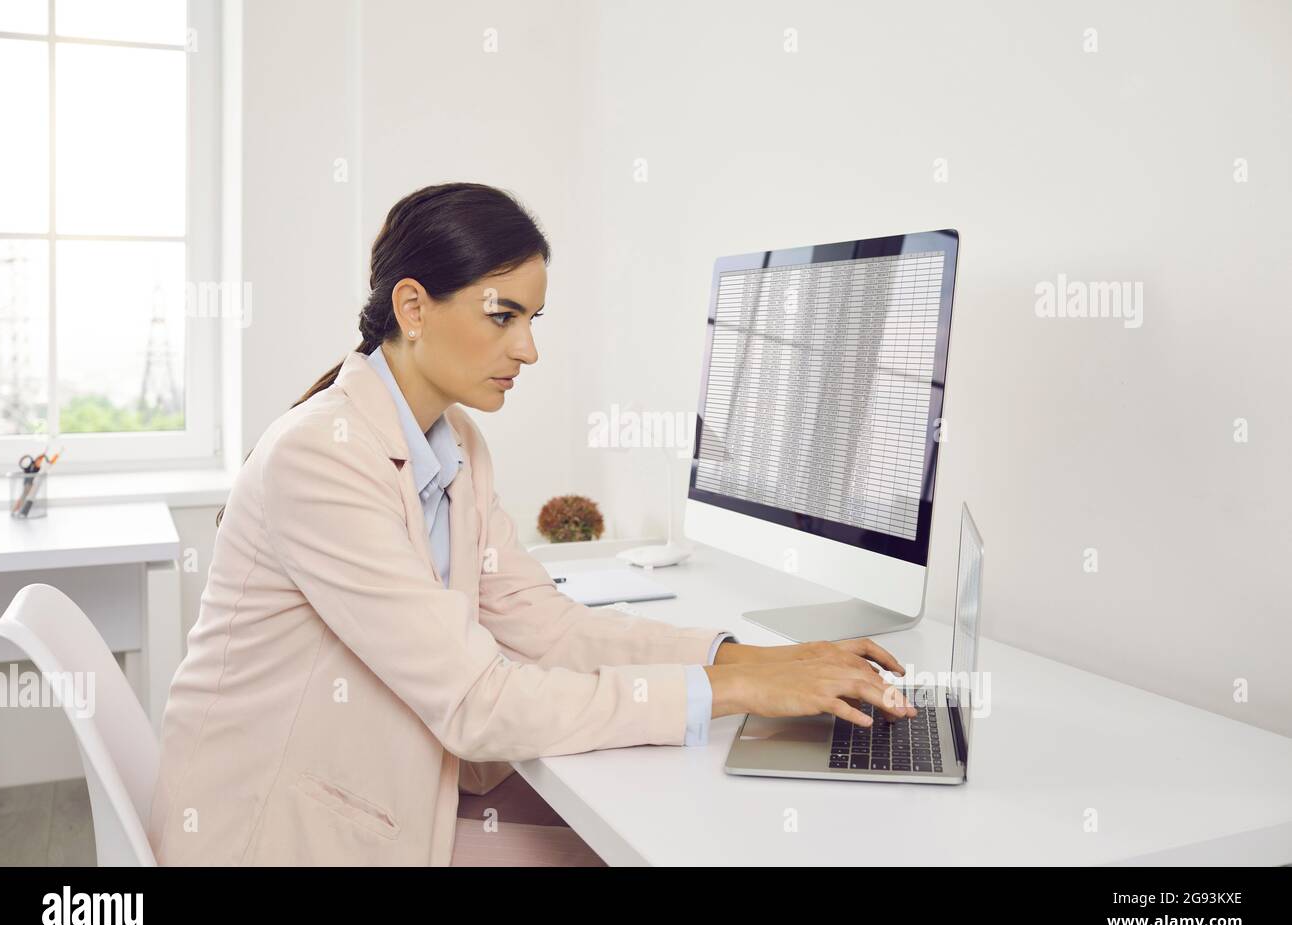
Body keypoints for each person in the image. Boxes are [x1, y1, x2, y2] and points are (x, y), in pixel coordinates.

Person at [146, 182, 916, 866]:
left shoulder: (456, 446)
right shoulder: (321, 456)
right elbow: (479, 705)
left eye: (533, 317)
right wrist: (734, 690)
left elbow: (543, 625)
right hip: (271, 834)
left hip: (387, 793)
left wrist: (750, 659)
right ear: (413, 308)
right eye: (503, 315)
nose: (530, 348)